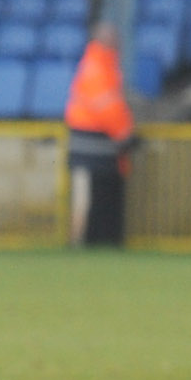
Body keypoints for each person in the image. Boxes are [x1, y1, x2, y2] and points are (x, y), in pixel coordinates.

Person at [63, 21, 134, 247]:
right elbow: (107, 107)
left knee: (94, 197)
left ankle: (88, 238)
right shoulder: (98, 67)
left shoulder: (101, 64)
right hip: (93, 146)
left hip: (94, 146)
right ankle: (85, 239)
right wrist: (124, 135)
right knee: (92, 198)